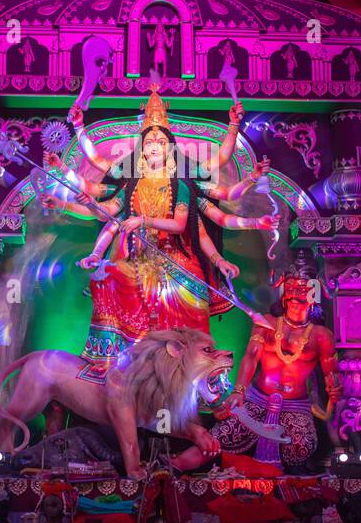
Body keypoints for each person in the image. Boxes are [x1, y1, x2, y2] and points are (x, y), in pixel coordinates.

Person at [40, 86, 272, 382]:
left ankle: (196, 375)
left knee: (191, 296)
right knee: (106, 278)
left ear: (169, 149)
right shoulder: (131, 185)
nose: (154, 146)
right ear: (141, 149)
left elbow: (197, 222)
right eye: (149, 141)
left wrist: (220, 256)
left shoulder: (183, 186)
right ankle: (114, 363)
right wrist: (63, 199)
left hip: (178, 264)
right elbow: (103, 206)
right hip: (138, 263)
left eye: (161, 141)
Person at [212, 254, 339, 472]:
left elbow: (331, 375)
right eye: (291, 288)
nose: (295, 295)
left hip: (295, 405)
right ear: (283, 291)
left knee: (301, 447)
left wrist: (334, 390)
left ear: (314, 293)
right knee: (220, 437)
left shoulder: (321, 336)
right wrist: (239, 391)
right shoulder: (267, 323)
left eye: (302, 289)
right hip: (256, 400)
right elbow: (251, 355)